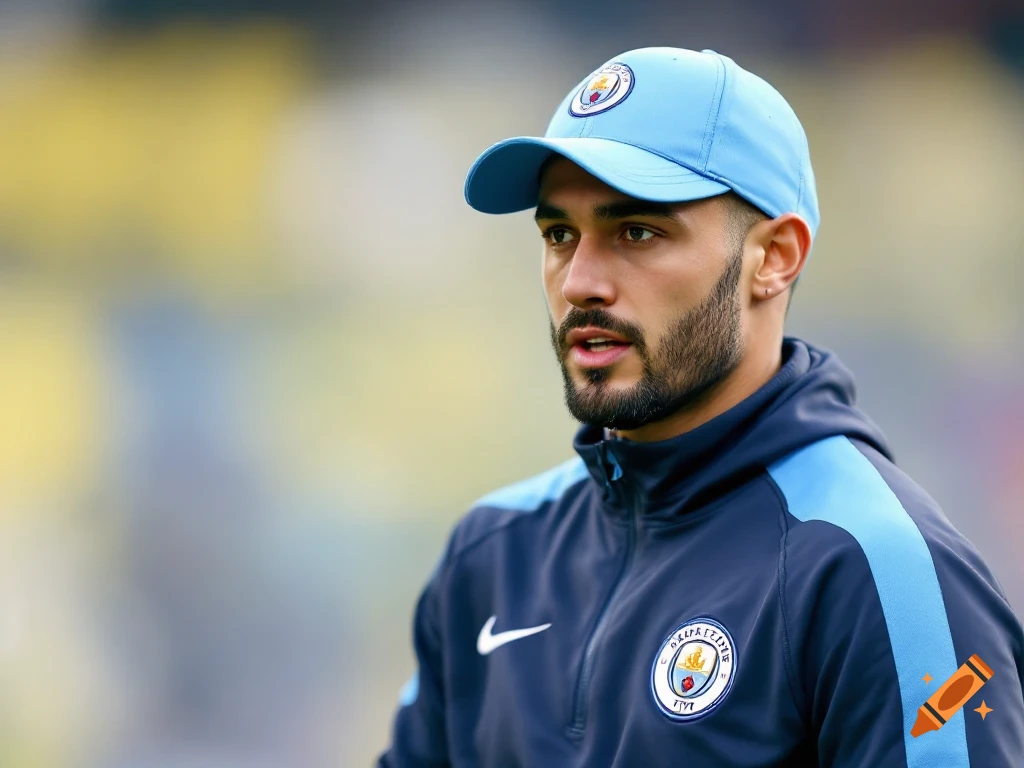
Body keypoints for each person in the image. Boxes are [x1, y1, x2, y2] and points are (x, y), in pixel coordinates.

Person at [378, 47, 1024, 767]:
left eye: (637, 232)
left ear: (774, 257)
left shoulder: (875, 573)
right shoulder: (493, 552)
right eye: (559, 235)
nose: (580, 282)